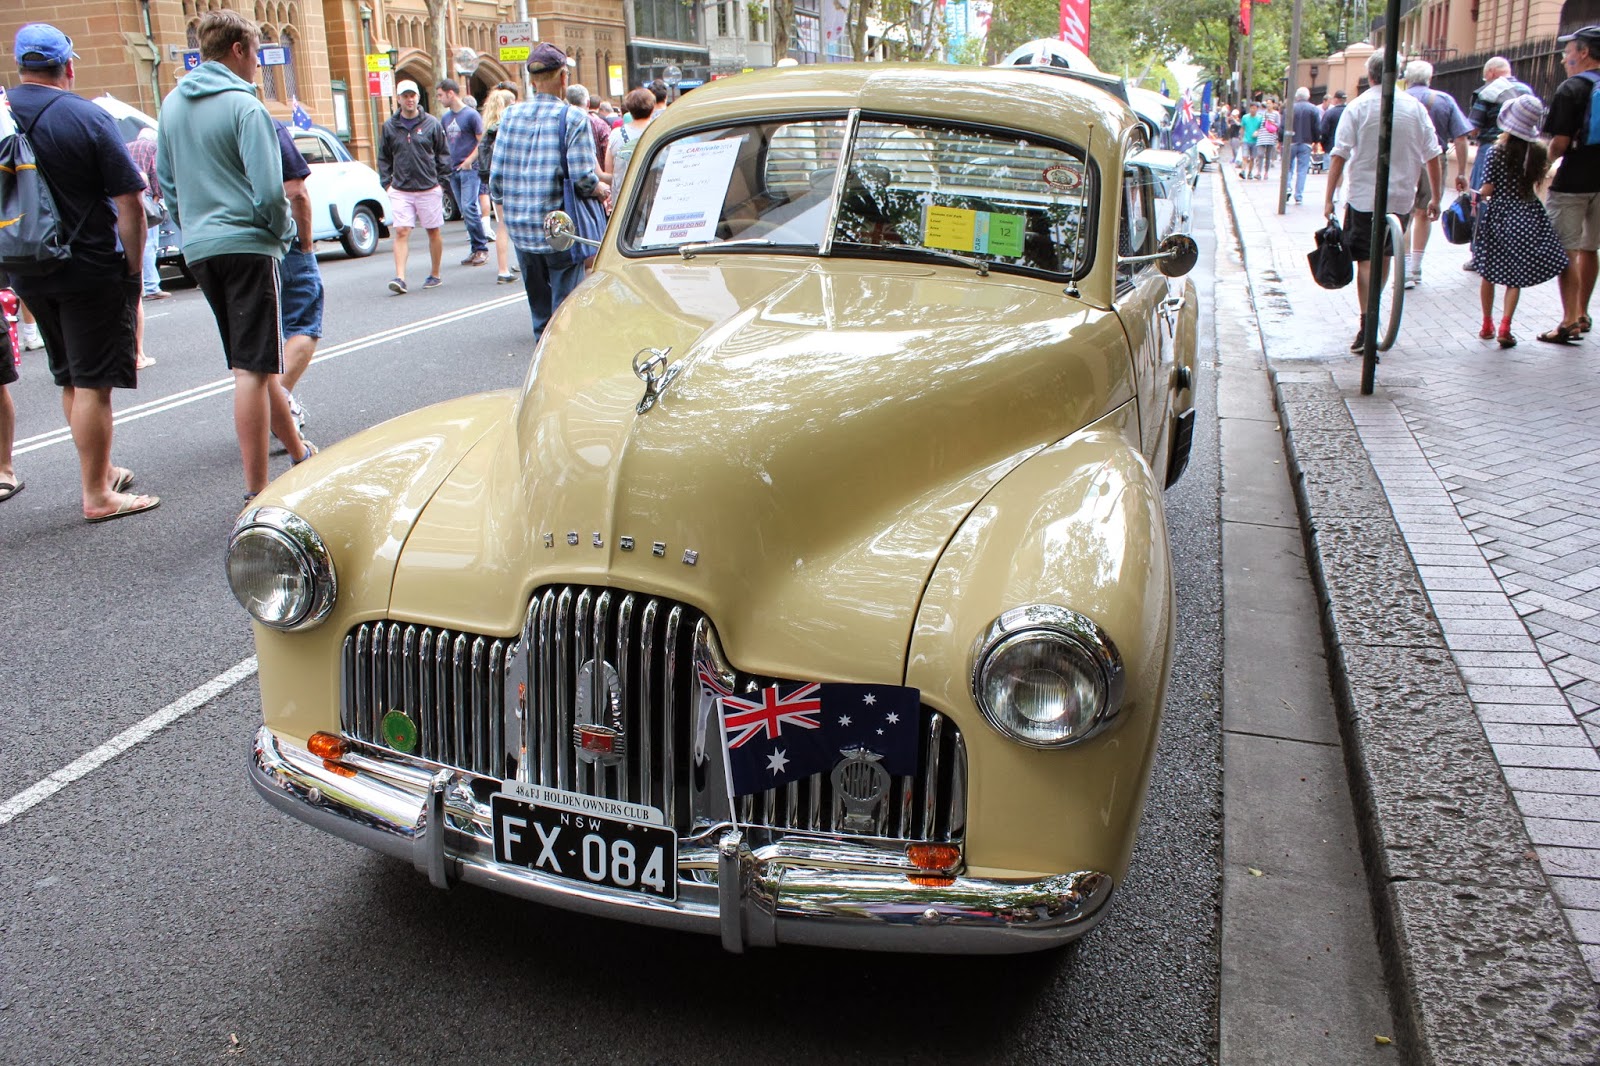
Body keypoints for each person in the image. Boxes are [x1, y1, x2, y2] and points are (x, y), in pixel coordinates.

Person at [8, 23, 159, 522]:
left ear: (20, 65)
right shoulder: (85, 116)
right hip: (88, 266)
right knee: (94, 381)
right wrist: (133, 268)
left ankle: (102, 469)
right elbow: (129, 202)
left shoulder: (4, 115)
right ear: (68, 65)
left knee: (71, 376)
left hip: (27, 264)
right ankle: (97, 493)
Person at [158, 9, 311, 499]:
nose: (258, 68)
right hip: (246, 242)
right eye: (256, 56)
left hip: (201, 246)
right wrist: (282, 231)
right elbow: (269, 192)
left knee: (256, 359)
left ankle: (299, 452)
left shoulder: (171, 105)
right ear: (239, 50)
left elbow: (166, 182)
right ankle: (257, 490)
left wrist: (190, 227)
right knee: (251, 368)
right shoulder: (246, 108)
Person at [1322, 51, 1443, 353]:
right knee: (1386, 256)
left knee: (1366, 258)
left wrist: (1329, 198)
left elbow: (1340, 153)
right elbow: (1433, 153)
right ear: (1398, 74)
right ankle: (1372, 315)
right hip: (1401, 196)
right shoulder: (1414, 108)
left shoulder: (1359, 106)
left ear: (1370, 75)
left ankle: (1367, 320)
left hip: (1364, 196)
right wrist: (1436, 197)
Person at [489, 42, 609, 340]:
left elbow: (496, 182)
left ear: (532, 80)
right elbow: (583, 179)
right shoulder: (573, 118)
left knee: (540, 310)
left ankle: (542, 348)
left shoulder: (510, 117)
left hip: (521, 227)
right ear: (564, 77)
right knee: (565, 310)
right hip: (559, 228)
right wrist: (601, 189)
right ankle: (561, 360)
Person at [1468, 95, 1567, 348]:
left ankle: (1487, 324)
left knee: (1488, 271)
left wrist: (1476, 192)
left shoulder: (1496, 151)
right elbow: (1536, 181)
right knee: (1515, 276)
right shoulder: (1537, 152)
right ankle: (1505, 326)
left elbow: (1488, 189)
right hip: (1527, 213)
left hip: (1499, 215)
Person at [1538, 27, 1600, 344]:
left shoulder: (1571, 88)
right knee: (1590, 248)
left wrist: (1544, 165)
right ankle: (1584, 313)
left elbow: (1559, 144)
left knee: (1567, 250)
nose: (1565, 57)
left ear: (1584, 52)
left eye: (1568, 51)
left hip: (1573, 183)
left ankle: (1569, 319)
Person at [1403, 59, 1473, 288]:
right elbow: (1461, 138)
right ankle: (1415, 267)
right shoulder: (1444, 100)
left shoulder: (1399, 100)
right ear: (1429, 78)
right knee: (1425, 212)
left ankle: (1404, 269)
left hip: (1404, 159)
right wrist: (1461, 171)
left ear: (1407, 78)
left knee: (1405, 214)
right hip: (1435, 161)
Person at [273, 119, 321, 438]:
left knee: (249, 339)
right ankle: (277, 402)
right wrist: (304, 243)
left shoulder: (180, 122)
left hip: (210, 245)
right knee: (304, 317)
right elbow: (296, 192)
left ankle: (262, 404)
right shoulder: (260, 121)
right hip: (271, 235)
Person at [378, 79, 450, 293]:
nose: (409, 100)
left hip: (428, 187)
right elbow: (384, 157)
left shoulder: (431, 124)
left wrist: (441, 183)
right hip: (401, 188)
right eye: (405, 96)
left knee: (433, 231)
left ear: (418, 98)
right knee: (401, 230)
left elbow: (443, 154)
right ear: (398, 99)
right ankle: (400, 277)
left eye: (413, 95)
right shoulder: (390, 126)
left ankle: (435, 273)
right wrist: (387, 183)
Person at [437, 78, 488, 268]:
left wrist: (469, 160)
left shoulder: (471, 116)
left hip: (469, 169)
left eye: (441, 95)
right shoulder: (446, 118)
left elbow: (481, 141)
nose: (439, 99)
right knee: (464, 211)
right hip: (453, 169)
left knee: (469, 206)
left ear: (451, 93)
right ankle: (475, 248)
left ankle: (482, 248)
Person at [1467, 57, 1533, 190]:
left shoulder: (1488, 91)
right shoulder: (1526, 91)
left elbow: (1473, 128)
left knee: (1480, 195)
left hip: (1491, 147)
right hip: (1522, 149)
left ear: (1491, 72)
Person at [476, 87, 519, 283]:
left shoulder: (490, 129)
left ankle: (503, 269)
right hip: (514, 179)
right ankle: (520, 263)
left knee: (502, 224)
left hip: (496, 180)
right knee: (520, 222)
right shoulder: (509, 126)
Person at [125, 128, 168, 303]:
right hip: (147, 197)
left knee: (135, 242)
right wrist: (158, 196)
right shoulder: (152, 147)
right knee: (150, 242)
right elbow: (156, 172)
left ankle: (140, 285)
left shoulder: (127, 146)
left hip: (127, 196)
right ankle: (152, 286)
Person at [605, 86, 657, 211]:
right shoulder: (659, 131)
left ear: (629, 109)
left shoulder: (616, 134)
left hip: (624, 204)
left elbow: (609, 171)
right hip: (653, 200)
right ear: (652, 107)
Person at [1287, 87, 1320, 204]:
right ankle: (1299, 196)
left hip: (1290, 141)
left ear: (1297, 96)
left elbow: (1283, 126)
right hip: (1306, 142)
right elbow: (1317, 127)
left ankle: (1287, 188)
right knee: (1302, 170)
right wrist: (1316, 141)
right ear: (1308, 97)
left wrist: (1281, 140)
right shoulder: (1314, 109)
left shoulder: (1290, 108)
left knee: (1288, 167)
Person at [1319, 90, 1348, 161]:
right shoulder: (1350, 112)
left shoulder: (1330, 113)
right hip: (1347, 148)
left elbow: (1323, 131)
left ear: (1336, 100)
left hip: (1331, 147)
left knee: (1328, 171)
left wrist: (1323, 145)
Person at [1257, 100, 1280, 178]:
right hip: (1262, 136)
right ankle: (1259, 172)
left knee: (1268, 156)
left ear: (1273, 104)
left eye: (1270, 103)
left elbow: (1278, 125)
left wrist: (1272, 123)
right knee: (1260, 154)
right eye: (1267, 104)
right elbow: (1259, 123)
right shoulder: (1261, 113)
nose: (1268, 105)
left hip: (1271, 136)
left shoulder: (1276, 114)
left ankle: (1266, 172)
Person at [1239, 102, 1262, 179]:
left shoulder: (1260, 118)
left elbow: (1261, 128)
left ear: (1257, 109)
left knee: (1252, 158)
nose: (1253, 110)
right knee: (1245, 156)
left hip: (1255, 141)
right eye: (1251, 108)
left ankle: (1250, 172)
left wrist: (1257, 132)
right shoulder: (1245, 117)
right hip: (1246, 139)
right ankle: (1243, 171)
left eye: (1254, 108)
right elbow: (1242, 128)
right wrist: (1241, 138)